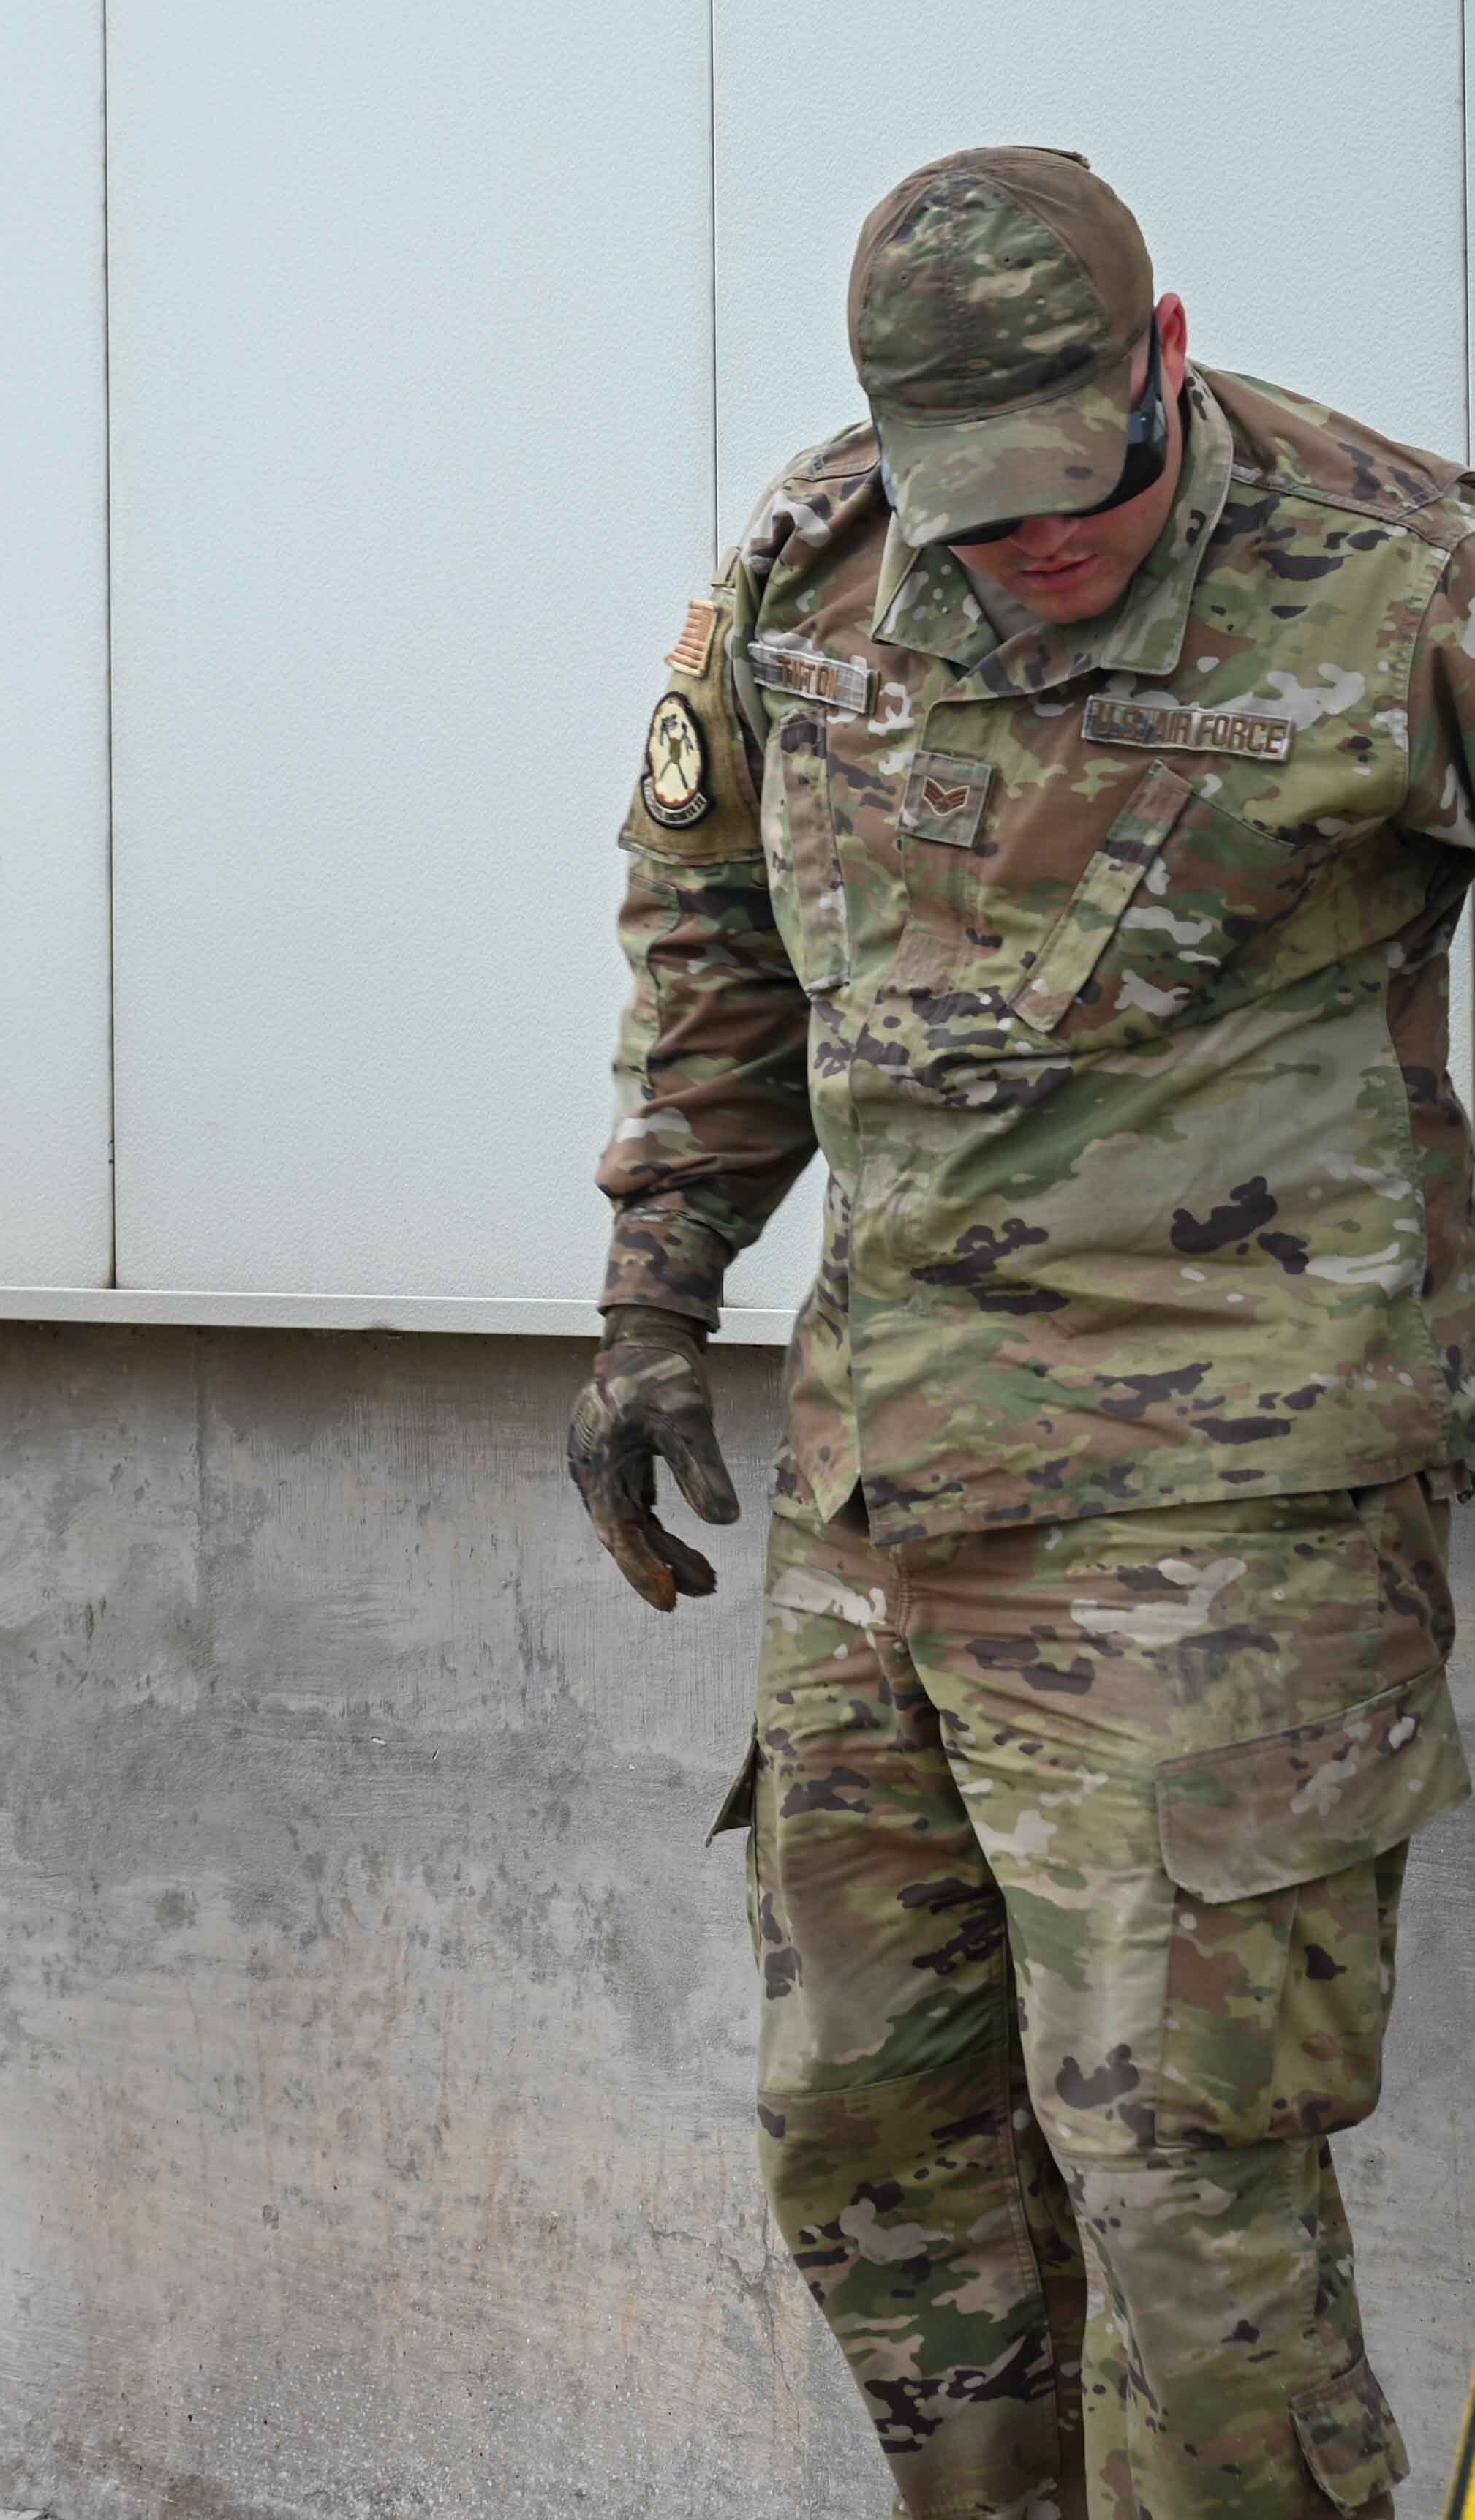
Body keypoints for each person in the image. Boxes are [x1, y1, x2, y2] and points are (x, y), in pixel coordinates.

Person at [573, 149, 1475, 2519]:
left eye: (1078, 490)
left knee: (1182, 2190)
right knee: (870, 2133)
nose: (1035, 550)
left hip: (1225, 1534)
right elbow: (711, 936)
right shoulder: (811, 566)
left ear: (1160, 352)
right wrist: (656, 1287)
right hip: (890, 1506)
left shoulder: (1399, 570)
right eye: (975, 513)